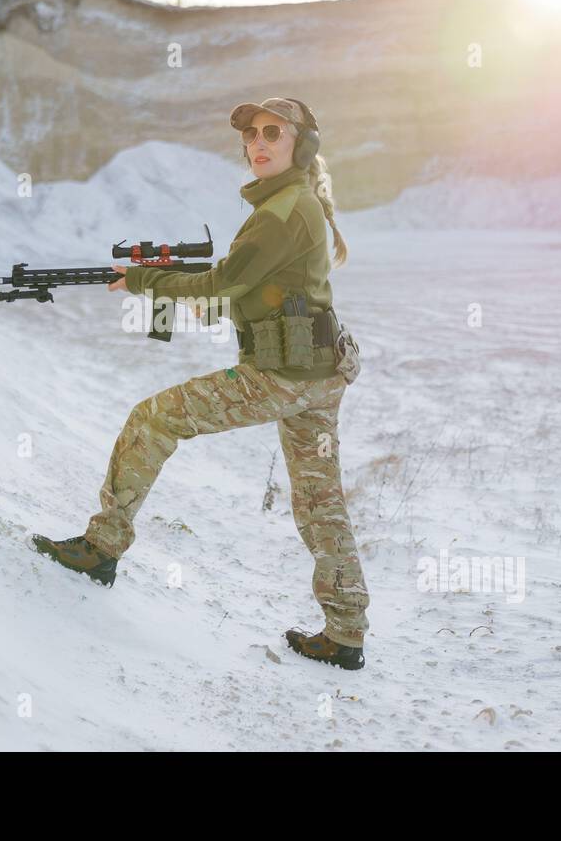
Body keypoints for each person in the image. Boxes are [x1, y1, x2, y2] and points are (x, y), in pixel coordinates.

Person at [32, 97, 370, 670]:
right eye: (251, 136)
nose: (258, 143)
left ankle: (102, 546)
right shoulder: (294, 203)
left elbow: (224, 279)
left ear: (300, 146)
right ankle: (346, 632)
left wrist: (145, 279)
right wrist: (187, 293)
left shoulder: (282, 210)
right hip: (317, 376)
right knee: (320, 504)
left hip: (284, 378)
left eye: (273, 134)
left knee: (153, 418)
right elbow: (249, 291)